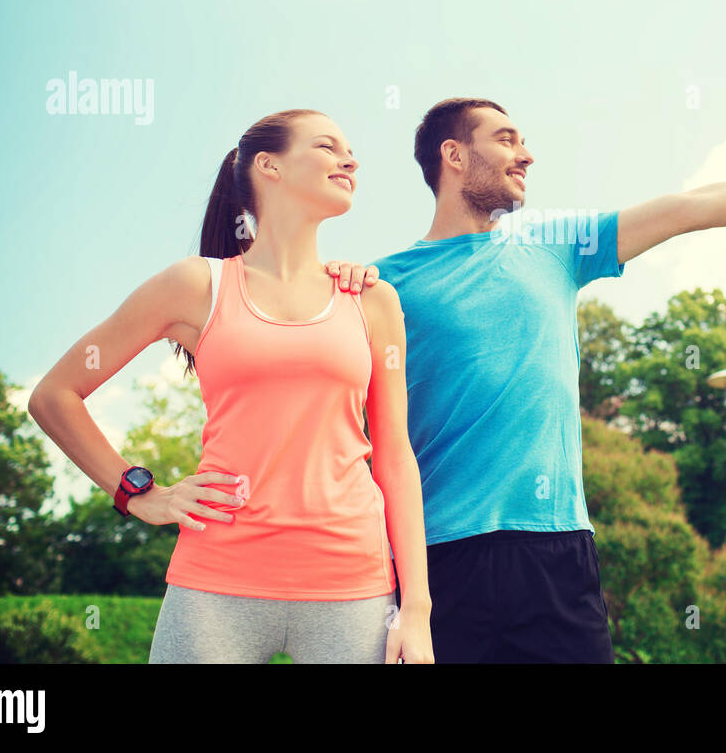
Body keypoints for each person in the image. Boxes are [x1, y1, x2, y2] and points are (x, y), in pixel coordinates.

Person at [366, 96, 726, 662]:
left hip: (555, 550)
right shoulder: (382, 284)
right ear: (453, 154)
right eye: (506, 139)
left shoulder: (553, 246)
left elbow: (691, 208)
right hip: (437, 563)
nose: (527, 155)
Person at [27, 108, 433, 664]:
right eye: (326, 146)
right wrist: (141, 494)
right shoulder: (196, 285)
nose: (350, 159)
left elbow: (395, 457)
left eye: (350, 149)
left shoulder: (371, 299)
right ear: (269, 165)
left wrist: (417, 609)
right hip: (215, 584)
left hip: (353, 586)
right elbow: (55, 396)